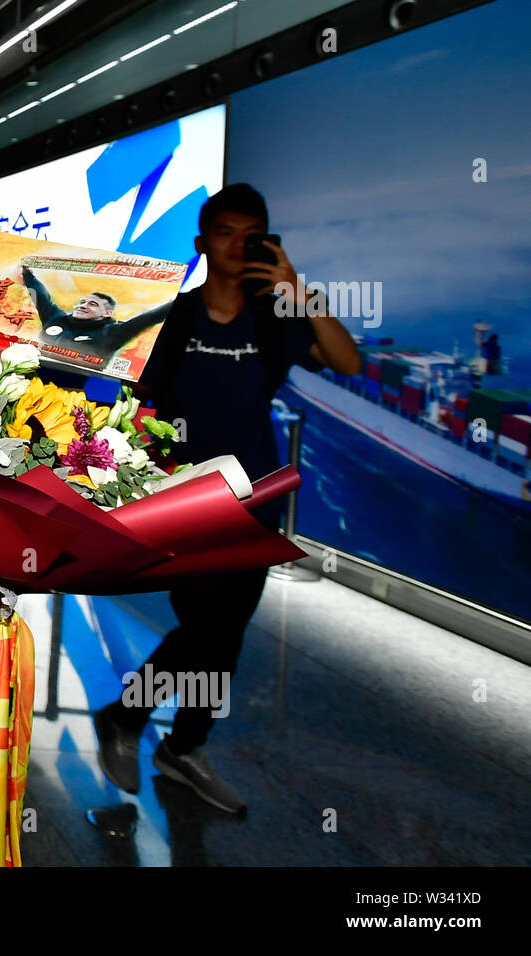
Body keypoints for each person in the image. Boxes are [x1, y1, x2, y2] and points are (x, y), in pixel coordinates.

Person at [91, 184, 361, 813]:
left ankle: (178, 744)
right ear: (201, 243)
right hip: (186, 502)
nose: (239, 244)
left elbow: (347, 360)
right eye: (226, 232)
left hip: (255, 499)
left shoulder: (276, 316)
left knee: (226, 634)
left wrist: (294, 287)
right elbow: (128, 390)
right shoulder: (173, 318)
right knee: (207, 626)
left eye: (253, 233)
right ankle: (139, 726)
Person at [20, 265, 171, 364]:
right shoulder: (56, 317)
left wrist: (177, 300)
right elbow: (40, 294)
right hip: (32, 375)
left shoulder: (112, 333)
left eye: (93, 304)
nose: (83, 306)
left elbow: (150, 318)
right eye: (82, 302)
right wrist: (27, 273)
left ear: (107, 313)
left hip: (77, 389)